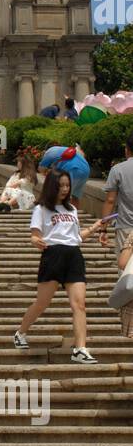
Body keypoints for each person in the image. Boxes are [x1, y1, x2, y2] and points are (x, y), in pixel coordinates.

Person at [13, 169, 108, 363]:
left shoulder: (71, 209)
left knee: (79, 304)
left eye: (67, 185)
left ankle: (80, 349)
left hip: (74, 255)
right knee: (42, 303)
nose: (65, 189)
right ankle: (20, 332)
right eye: (61, 185)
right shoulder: (41, 209)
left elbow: (76, 237)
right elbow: (35, 235)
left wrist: (94, 228)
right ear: (51, 186)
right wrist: (36, 241)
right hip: (53, 255)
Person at [102, 130, 133, 335]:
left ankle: (128, 320)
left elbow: (111, 200)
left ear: (127, 149)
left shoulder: (118, 169)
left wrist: (103, 226)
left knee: (126, 274)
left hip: (125, 227)